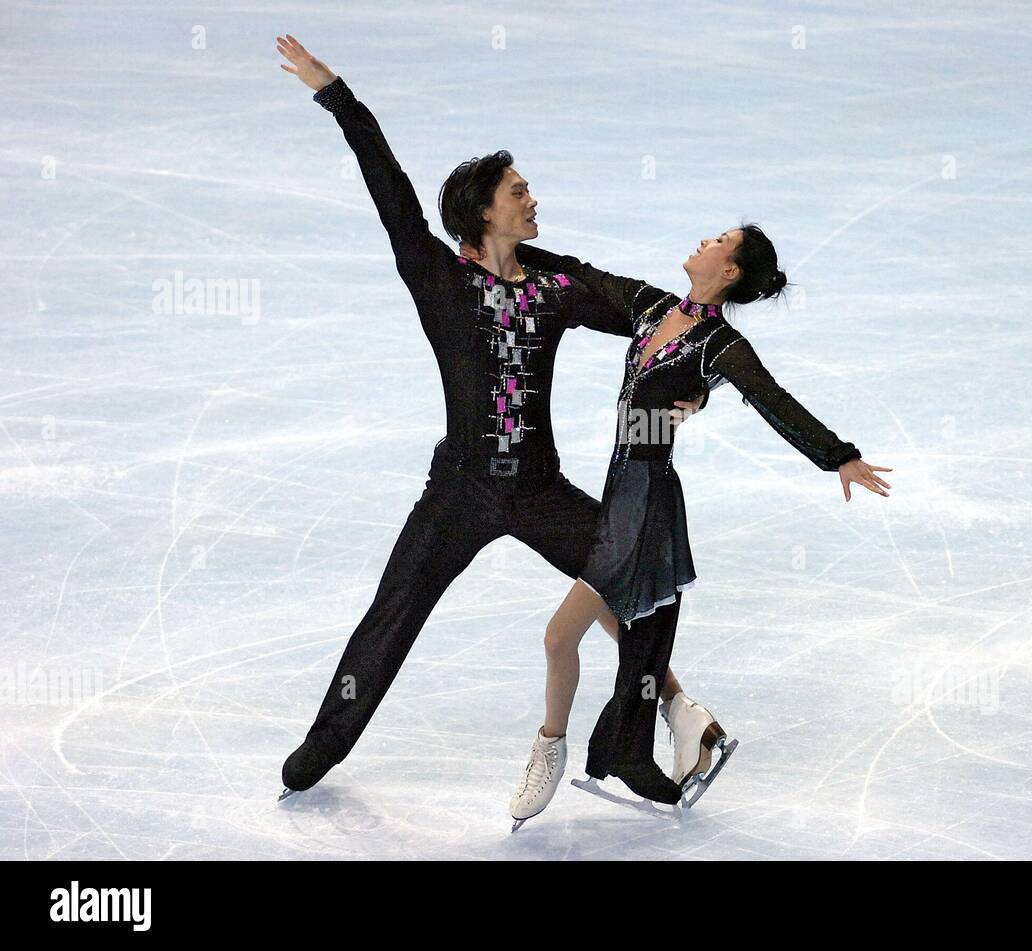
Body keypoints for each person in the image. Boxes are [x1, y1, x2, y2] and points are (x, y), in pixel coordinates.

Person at [272, 36, 714, 797]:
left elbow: (648, 311)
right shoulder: (437, 276)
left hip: (540, 489)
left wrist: (697, 372)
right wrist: (336, 94)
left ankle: (657, 723)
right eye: (518, 190)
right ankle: (325, 742)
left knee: (637, 586)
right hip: (462, 489)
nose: (533, 197)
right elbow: (390, 185)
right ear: (482, 211)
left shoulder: (557, 285)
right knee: (393, 612)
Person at [499, 227, 892, 823]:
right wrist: (509, 248)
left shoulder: (719, 344)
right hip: (621, 490)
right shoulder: (653, 306)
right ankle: (687, 716)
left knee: (560, 635)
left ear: (729, 271)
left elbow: (773, 399)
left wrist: (837, 455)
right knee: (627, 621)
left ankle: (550, 748)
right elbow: (584, 272)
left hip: (647, 499)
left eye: (718, 241)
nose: (703, 241)